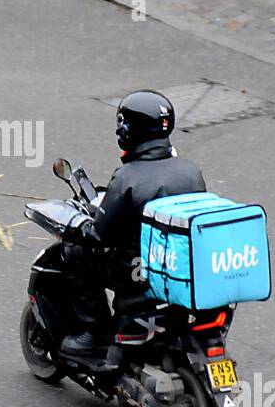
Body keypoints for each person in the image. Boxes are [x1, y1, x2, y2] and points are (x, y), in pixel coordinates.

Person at [59, 90, 206, 361]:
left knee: (77, 253)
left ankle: (94, 332)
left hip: (138, 271)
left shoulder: (127, 178)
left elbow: (99, 234)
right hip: (178, 265)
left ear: (127, 131)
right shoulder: (190, 171)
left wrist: (80, 228)